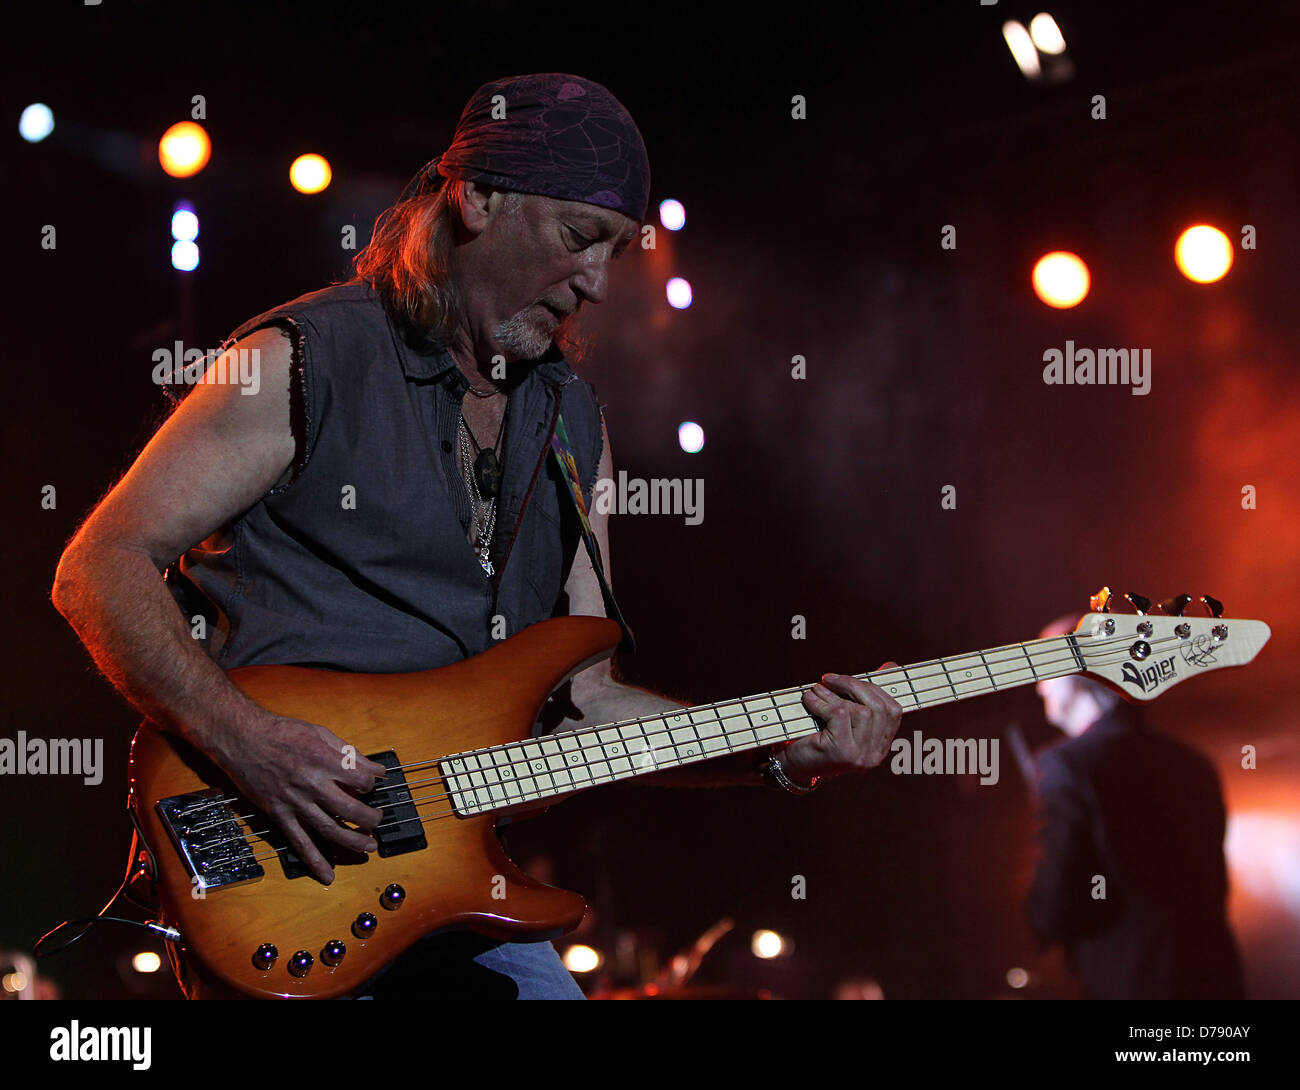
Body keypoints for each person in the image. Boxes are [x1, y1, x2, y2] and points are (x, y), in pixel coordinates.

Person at [51, 73, 903, 999]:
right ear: (477, 197)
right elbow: (98, 565)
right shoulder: (302, 360)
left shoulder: (574, 423)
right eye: (581, 239)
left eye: (617, 252)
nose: (598, 284)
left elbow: (588, 706)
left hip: (453, 895)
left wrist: (781, 754)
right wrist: (244, 738)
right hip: (289, 874)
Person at [1027, 615, 1245, 999]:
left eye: (1045, 670)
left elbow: (1057, 900)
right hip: (1216, 981)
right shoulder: (1192, 761)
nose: (1039, 688)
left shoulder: (1065, 766)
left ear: (1080, 674)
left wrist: (1036, 918)